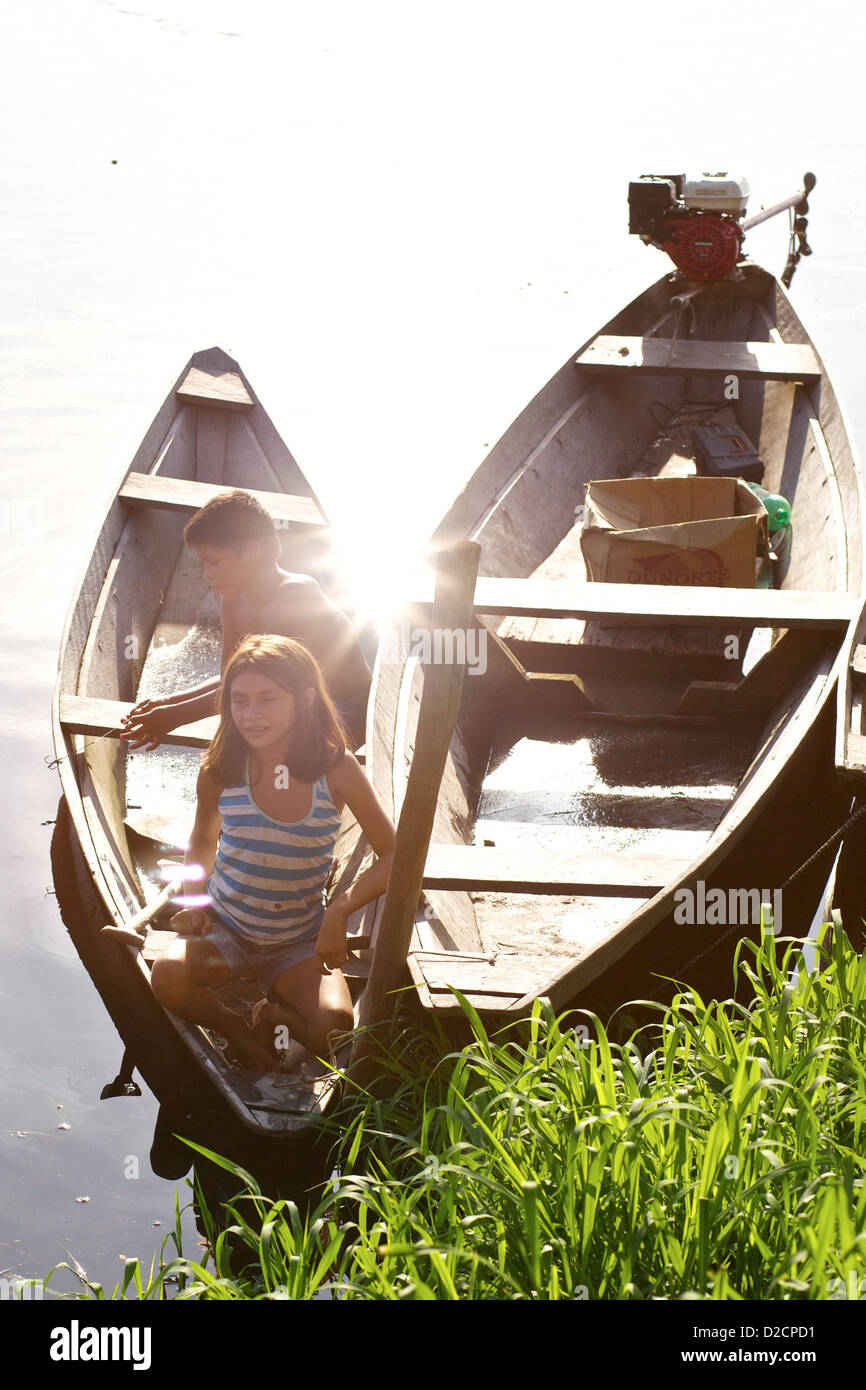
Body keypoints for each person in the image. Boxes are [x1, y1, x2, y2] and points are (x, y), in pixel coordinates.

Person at [149, 635, 395, 1073]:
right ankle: (237, 1027)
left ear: (303, 700)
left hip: (299, 939)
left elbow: (395, 855)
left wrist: (339, 911)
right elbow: (203, 843)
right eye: (239, 700)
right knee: (168, 977)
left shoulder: (336, 770)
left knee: (335, 1030)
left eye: (267, 699)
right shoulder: (220, 769)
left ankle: (273, 1014)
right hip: (226, 927)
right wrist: (194, 900)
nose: (250, 714)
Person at [120, 489, 371, 751]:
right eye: (203, 564)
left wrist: (175, 716)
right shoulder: (234, 601)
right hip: (287, 700)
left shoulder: (293, 594)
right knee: (246, 722)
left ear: (252, 551)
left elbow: (260, 686)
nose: (206, 574)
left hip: (346, 710)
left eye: (214, 562)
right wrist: (170, 701)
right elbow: (232, 677)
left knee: (257, 724)